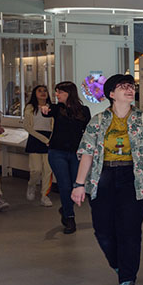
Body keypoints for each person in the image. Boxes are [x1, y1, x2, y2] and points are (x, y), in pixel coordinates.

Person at [71, 74, 143, 285]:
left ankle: (127, 278)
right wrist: (78, 184)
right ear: (111, 94)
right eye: (122, 87)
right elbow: (87, 153)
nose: (129, 89)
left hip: (135, 178)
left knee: (129, 231)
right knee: (103, 230)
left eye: (131, 86)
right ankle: (119, 264)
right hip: (102, 177)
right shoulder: (98, 121)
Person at [42, 81, 92, 234]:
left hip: (76, 153)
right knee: (64, 185)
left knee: (74, 185)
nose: (56, 95)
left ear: (69, 93)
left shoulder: (84, 110)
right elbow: (47, 110)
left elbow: (88, 131)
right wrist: (45, 109)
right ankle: (70, 218)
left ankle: (65, 208)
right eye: (56, 92)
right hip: (57, 152)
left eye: (59, 92)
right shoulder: (57, 108)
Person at [24, 85, 54, 207]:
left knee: (48, 170)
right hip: (35, 139)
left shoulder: (52, 107)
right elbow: (27, 126)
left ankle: (44, 195)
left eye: (45, 91)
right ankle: (31, 185)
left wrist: (50, 139)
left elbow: (54, 126)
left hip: (50, 140)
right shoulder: (30, 108)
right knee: (36, 170)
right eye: (39, 91)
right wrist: (43, 139)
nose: (43, 93)